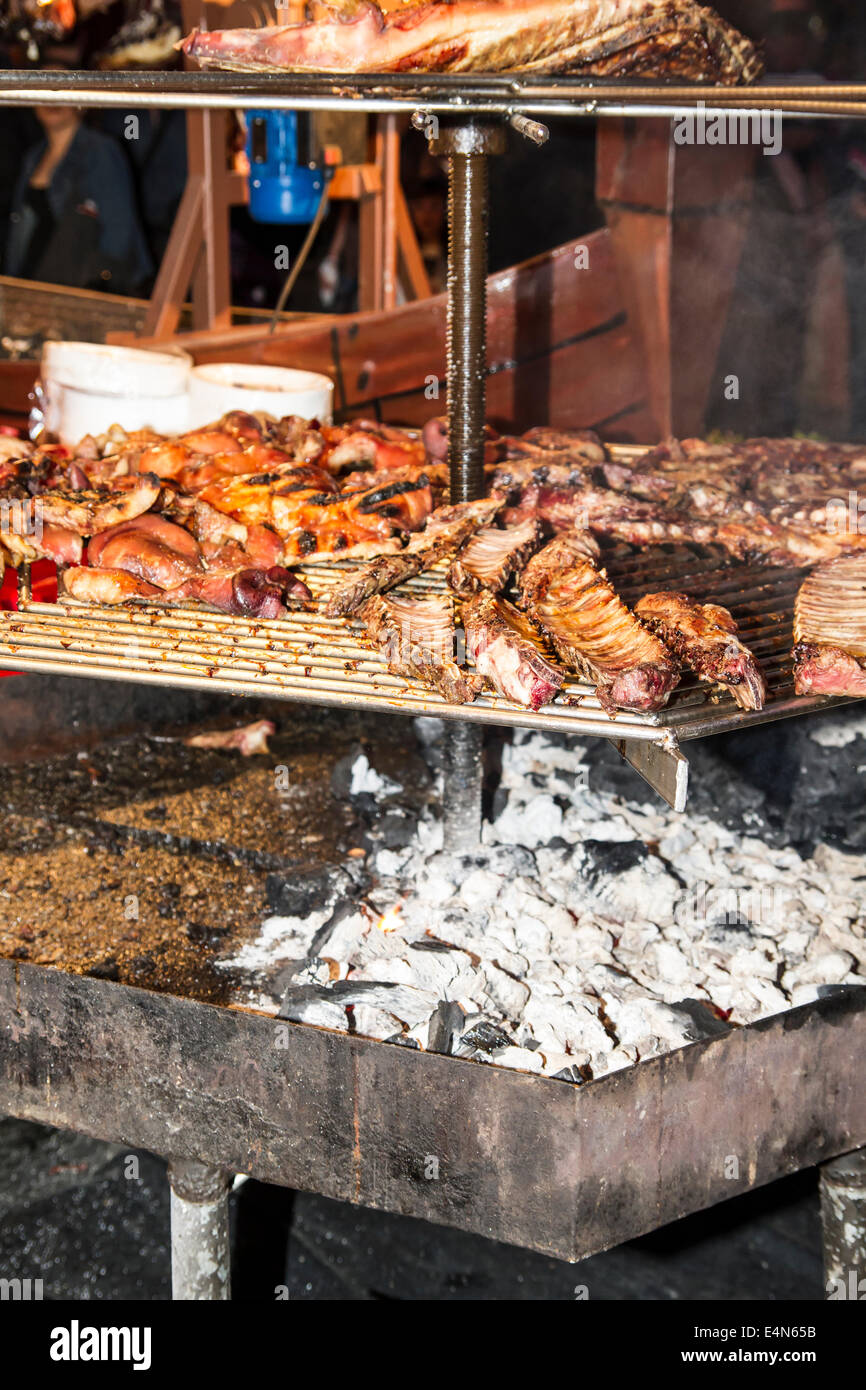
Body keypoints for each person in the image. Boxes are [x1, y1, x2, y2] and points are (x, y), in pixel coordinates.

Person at [4, 89, 152, 295]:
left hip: (80, 289)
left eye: (61, 92)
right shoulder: (33, 157)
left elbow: (119, 228)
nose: (51, 101)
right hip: (34, 288)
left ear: (81, 102)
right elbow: (20, 229)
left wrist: (98, 284)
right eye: (44, 92)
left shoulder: (100, 150)